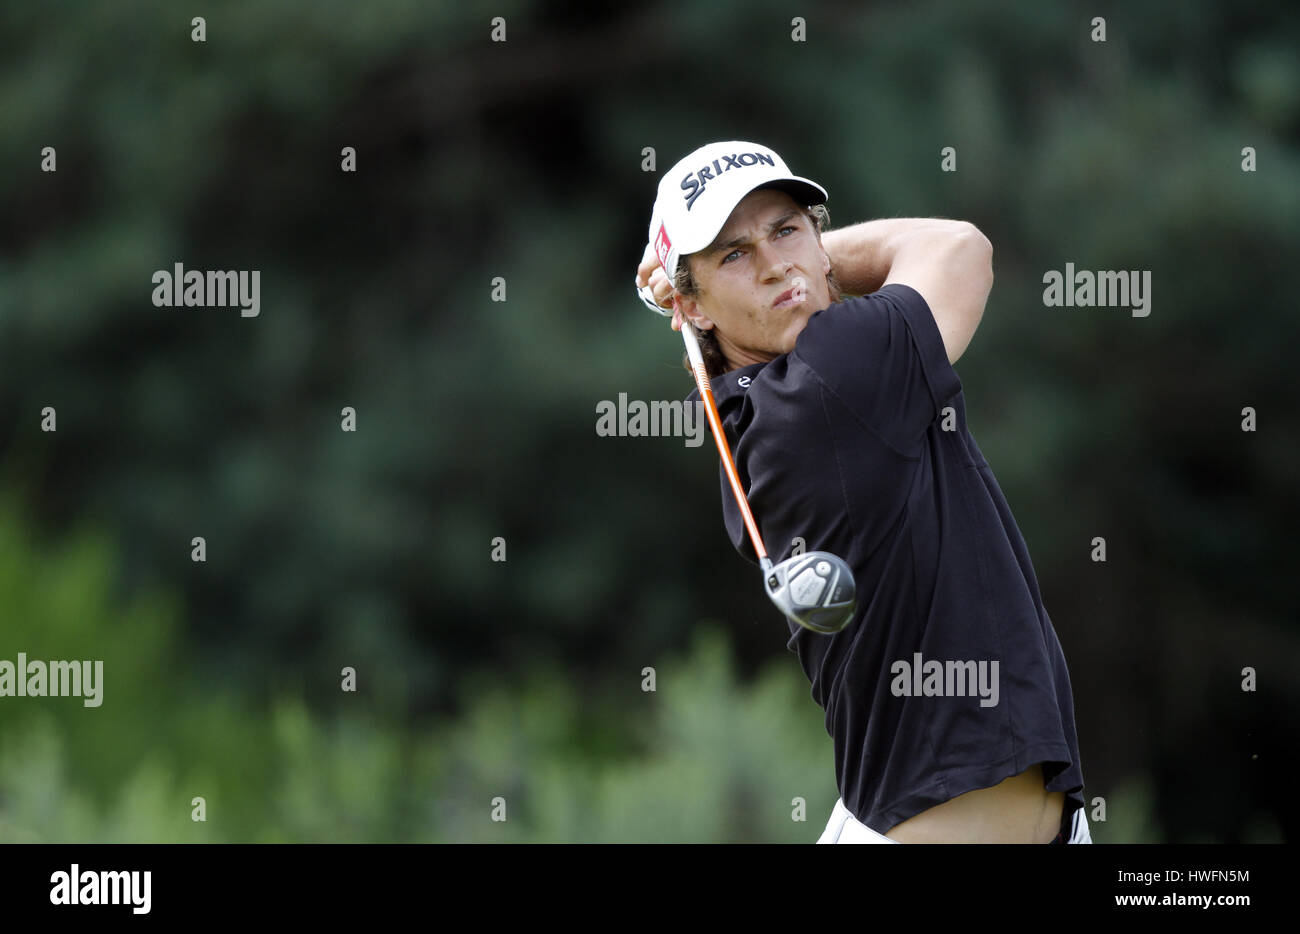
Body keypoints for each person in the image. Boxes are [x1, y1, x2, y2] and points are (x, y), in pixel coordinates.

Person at [635, 141, 1090, 844]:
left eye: (785, 228)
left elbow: (766, 292)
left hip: (905, 812)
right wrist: (812, 255)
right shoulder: (834, 374)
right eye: (733, 254)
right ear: (692, 309)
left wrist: (719, 271)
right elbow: (958, 248)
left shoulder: (750, 404)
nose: (773, 262)